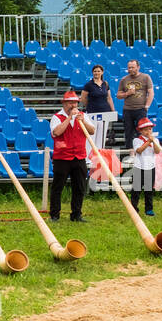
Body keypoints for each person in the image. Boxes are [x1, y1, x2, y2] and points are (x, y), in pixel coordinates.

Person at [48, 91, 90, 223]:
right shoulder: (57, 117)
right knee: (57, 187)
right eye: (71, 102)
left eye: (75, 103)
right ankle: (55, 215)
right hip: (62, 158)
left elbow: (92, 130)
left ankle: (76, 214)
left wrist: (83, 121)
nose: (73, 105)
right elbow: (57, 132)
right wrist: (69, 118)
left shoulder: (82, 116)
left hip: (79, 156)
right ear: (64, 103)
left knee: (79, 187)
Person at [116, 59, 153, 150]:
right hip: (127, 110)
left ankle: (143, 150)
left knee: (142, 132)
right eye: (129, 67)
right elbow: (118, 95)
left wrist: (147, 106)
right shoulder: (124, 79)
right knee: (128, 132)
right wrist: (127, 93)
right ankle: (130, 153)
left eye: (133, 67)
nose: (130, 69)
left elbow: (151, 93)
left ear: (138, 67)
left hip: (140, 109)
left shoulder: (145, 77)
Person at [79, 63, 116, 149]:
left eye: (98, 71)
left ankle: (99, 155)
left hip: (105, 112)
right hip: (92, 112)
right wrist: (89, 105)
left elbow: (109, 98)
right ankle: (89, 157)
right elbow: (83, 98)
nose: (96, 73)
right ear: (92, 73)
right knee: (92, 135)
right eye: (95, 71)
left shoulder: (105, 84)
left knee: (102, 136)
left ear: (102, 72)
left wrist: (113, 110)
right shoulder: (88, 85)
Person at [130, 117, 156, 216]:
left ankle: (149, 209)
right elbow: (139, 151)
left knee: (149, 189)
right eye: (145, 130)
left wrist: (154, 142)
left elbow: (157, 151)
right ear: (140, 131)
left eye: (150, 129)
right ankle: (134, 209)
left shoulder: (155, 140)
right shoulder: (137, 140)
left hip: (151, 166)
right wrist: (149, 142)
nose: (148, 131)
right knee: (136, 190)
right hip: (139, 167)